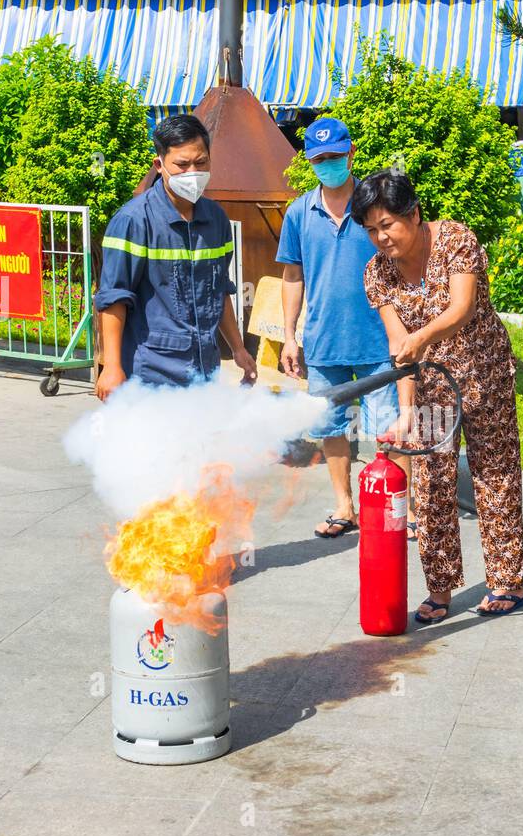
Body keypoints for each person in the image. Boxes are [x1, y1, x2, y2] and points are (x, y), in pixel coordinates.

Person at [354, 170, 523, 622]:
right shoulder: (377, 273)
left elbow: (461, 309)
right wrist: (407, 411)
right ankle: (441, 590)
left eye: (387, 224)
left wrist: (421, 338)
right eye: (371, 229)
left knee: (496, 476)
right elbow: (400, 347)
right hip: (432, 389)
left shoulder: (454, 239)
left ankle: (508, 581)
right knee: (430, 489)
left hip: (484, 374)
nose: (380, 237)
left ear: (413, 214)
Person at [277, 118, 416, 540]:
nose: (328, 165)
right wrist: (289, 336)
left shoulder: (372, 208)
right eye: (320, 159)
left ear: (350, 152)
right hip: (323, 342)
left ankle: (400, 508)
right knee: (330, 429)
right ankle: (344, 506)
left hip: (379, 339)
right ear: (309, 161)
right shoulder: (300, 212)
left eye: (335, 156)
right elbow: (292, 276)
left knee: (388, 428)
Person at [94, 114, 258, 399]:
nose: (192, 172)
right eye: (182, 165)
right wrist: (111, 366)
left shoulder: (216, 219)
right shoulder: (134, 220)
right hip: (150, 372)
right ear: (160, 165)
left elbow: (219, 292)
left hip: (204, 367)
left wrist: (238, 349)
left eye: (201, 162)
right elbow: (113, 298)